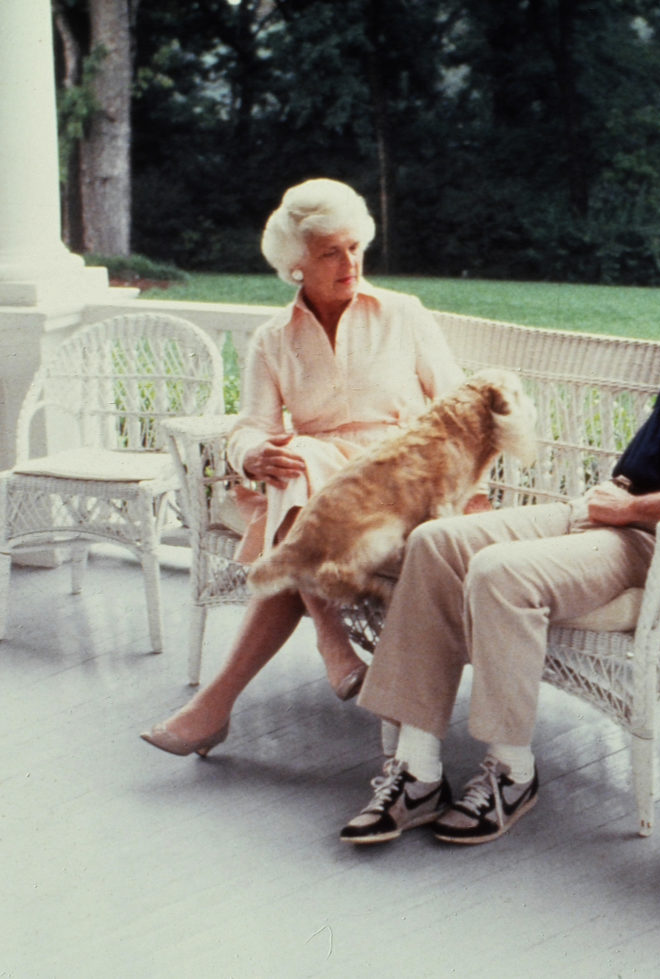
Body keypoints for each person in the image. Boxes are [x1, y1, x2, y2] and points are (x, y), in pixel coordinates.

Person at [339, 201, 660, 845]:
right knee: (435, 542)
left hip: (652, 541)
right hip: (603, 512)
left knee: (501, 575)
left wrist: (631, 511)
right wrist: (612, 503)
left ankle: (512, 771)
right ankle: (418, 772)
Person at [141, 178, 485, 758]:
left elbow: (457, 403)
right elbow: (251, 423)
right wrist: (248, 453)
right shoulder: (273, 339)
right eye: (330, 252)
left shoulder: (404, 314)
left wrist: (449, 472)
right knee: (292, 460)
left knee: (298, 478)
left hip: (398, 473)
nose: (349, 262)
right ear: (296, 264)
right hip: (317, 476)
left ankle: (237, 693)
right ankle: (316, 644)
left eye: (354, 247)